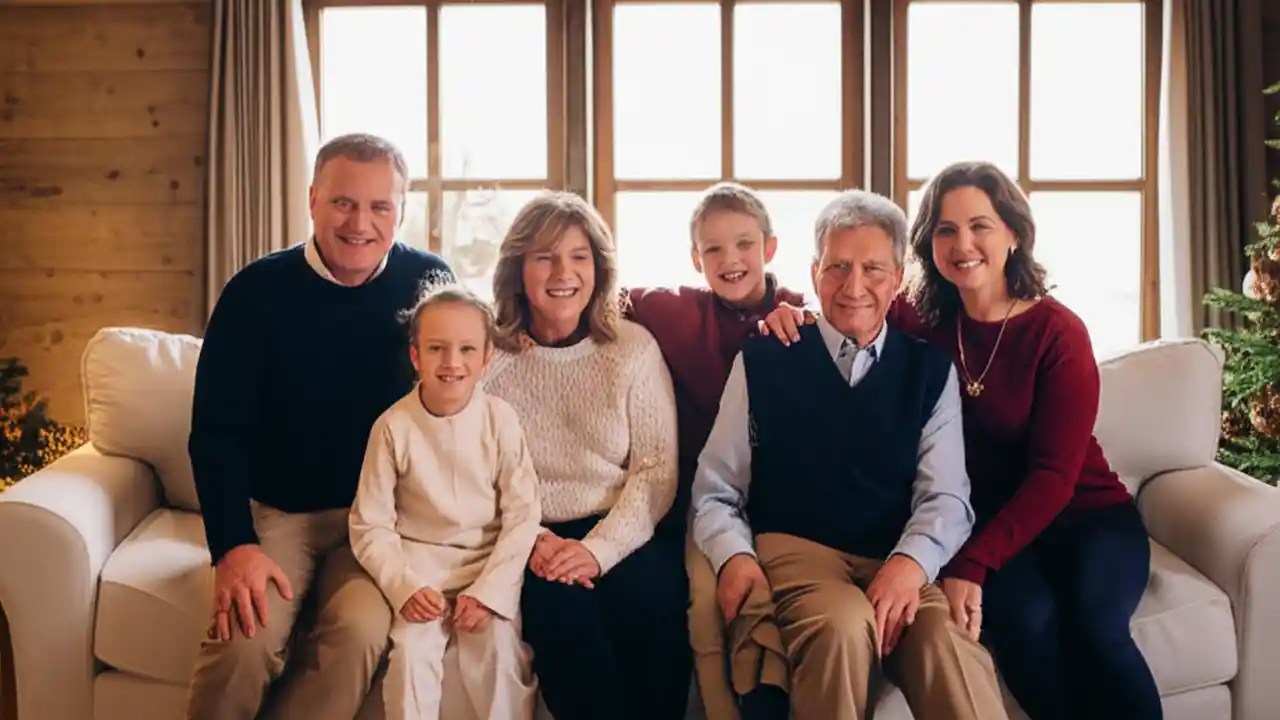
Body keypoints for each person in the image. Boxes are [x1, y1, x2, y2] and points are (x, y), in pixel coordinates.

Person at [764, 162, 1161, 720]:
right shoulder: (924, 317)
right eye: (946, 229)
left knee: (1096, 626)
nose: (963, 243)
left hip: (1081, 517)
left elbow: (1053, 478)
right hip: (992, 523)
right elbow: (856, 295)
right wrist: (790, 311)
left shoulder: (1057, 332)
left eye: (981, 225)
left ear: (1014, 234)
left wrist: (970, 564)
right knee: (1025, 624)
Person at [697, 189, 1007, 720]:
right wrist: (734, 555)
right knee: (842, 626)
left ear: (899, 277)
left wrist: (911, 564)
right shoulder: (766, 357)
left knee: (946, 645)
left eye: (873, 268)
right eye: (838, 266)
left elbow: (947, 497)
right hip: (798, 554)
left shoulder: (930, 371)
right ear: (814, 271)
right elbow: (715, 489)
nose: (854, 286)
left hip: (896, 553)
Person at [186, 133, 451, 720]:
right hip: (281, 514)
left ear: (402, 211)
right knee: (245, 641)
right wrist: (233, 547)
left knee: (360, 632)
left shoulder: (430, 281)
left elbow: (462, 387)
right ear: (312, 201)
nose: (361, 222)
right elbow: (215, 433)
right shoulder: (255, 292)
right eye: (343, 203)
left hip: (377, 522)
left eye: (380, 206)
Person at [480, 191, 689, 720]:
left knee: (653, 604)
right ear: (517, 270)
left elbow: (656, 470)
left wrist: (600, 550)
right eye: (545, 257)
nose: (563, 272)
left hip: (621, 528)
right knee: (562, 615)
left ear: (598, 266)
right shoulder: (486, 355)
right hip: (531, 536)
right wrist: (533, 541)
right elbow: (471, 471)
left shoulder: (632, 347)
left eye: (578, 256)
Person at [626, 182, 801, 720]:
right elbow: (601, 293)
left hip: (784, 505)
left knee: (767, 604)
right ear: (695, 258)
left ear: (770, 248)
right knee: (704, 603)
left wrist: (807, 312)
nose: (731, 260)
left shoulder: (799, 313)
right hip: (706, 502)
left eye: (744, 244)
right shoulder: (677, 311)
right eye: (714, 249)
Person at [349, 283, 541, 720]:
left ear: (487, 356)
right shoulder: (392, 427)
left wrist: (490, 592)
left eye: (467, 350)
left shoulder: (500, 420)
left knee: (501, 658)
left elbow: (523, 513)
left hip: (485, 565)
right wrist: (404, 586)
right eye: (437, 349)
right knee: (411, 661)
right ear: (416, 355)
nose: (452, 363)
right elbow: (370, 524)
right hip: (421, 570)